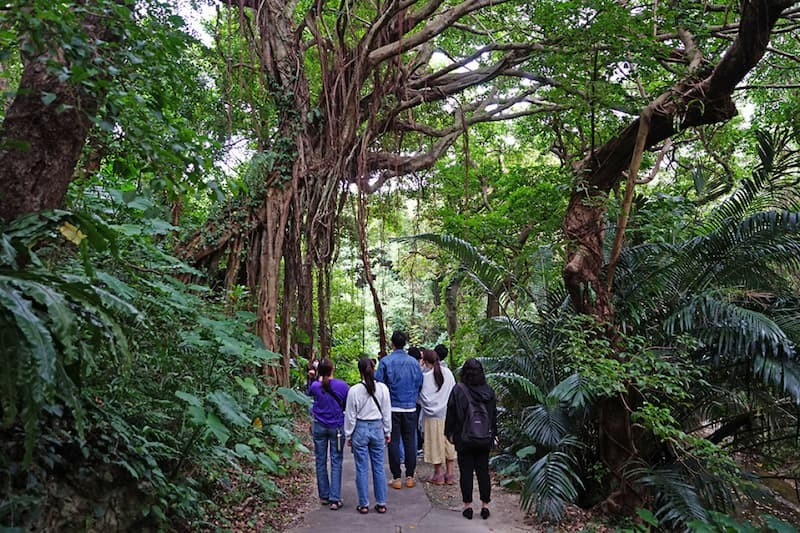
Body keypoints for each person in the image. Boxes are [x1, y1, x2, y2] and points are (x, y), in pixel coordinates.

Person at [445, 358, 498, 520]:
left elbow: (451, 413)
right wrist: (493, 434)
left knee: (466, 472)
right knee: (483, 471)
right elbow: (493, 416)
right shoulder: (488, 391)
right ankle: (485, 505)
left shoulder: (458, 390)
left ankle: (467, 506)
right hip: (484, 438)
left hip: (464, 437)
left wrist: (449, 433)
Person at [375, 330, 423, 489]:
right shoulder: (414, 362)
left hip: (392, 407)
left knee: (393, 441)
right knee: (410, 441)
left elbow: (379, 384)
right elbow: (419, 382)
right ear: (405, 343)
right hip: (410, 407)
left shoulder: (385, 362)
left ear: (392, 343)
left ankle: (396, 478)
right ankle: (410, 476)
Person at [344, 357, 392, 514]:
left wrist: (348, 435)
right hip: (378, 427)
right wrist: (387, 431)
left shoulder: (354, 390)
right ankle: (381, 503)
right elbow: (386, 412)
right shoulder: (383, 389)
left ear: (360, 371)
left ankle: (364, 504)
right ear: (374, 369)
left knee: (361, 468)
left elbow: (350, 416)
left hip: (361, 429)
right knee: (379, 467)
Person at [306, 359, 350, 510]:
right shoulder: (342, 386)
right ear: (332, 369)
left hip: (319, 425)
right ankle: (334, 498)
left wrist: (311, 377)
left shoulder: (315, 386)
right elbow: (346, 403)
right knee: (336, 460)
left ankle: (324, 495)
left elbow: (309, 393)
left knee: (320, 460)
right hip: (336, 427)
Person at [418, 348, 457, 485]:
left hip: (432, 417)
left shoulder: (425, 378)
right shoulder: (448, 373)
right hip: (448, 415)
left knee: (434, 443)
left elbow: (421, 397)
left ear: (425, 361)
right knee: (448, 443)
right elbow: (454, 392)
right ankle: (450, 474)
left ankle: (438, 474)